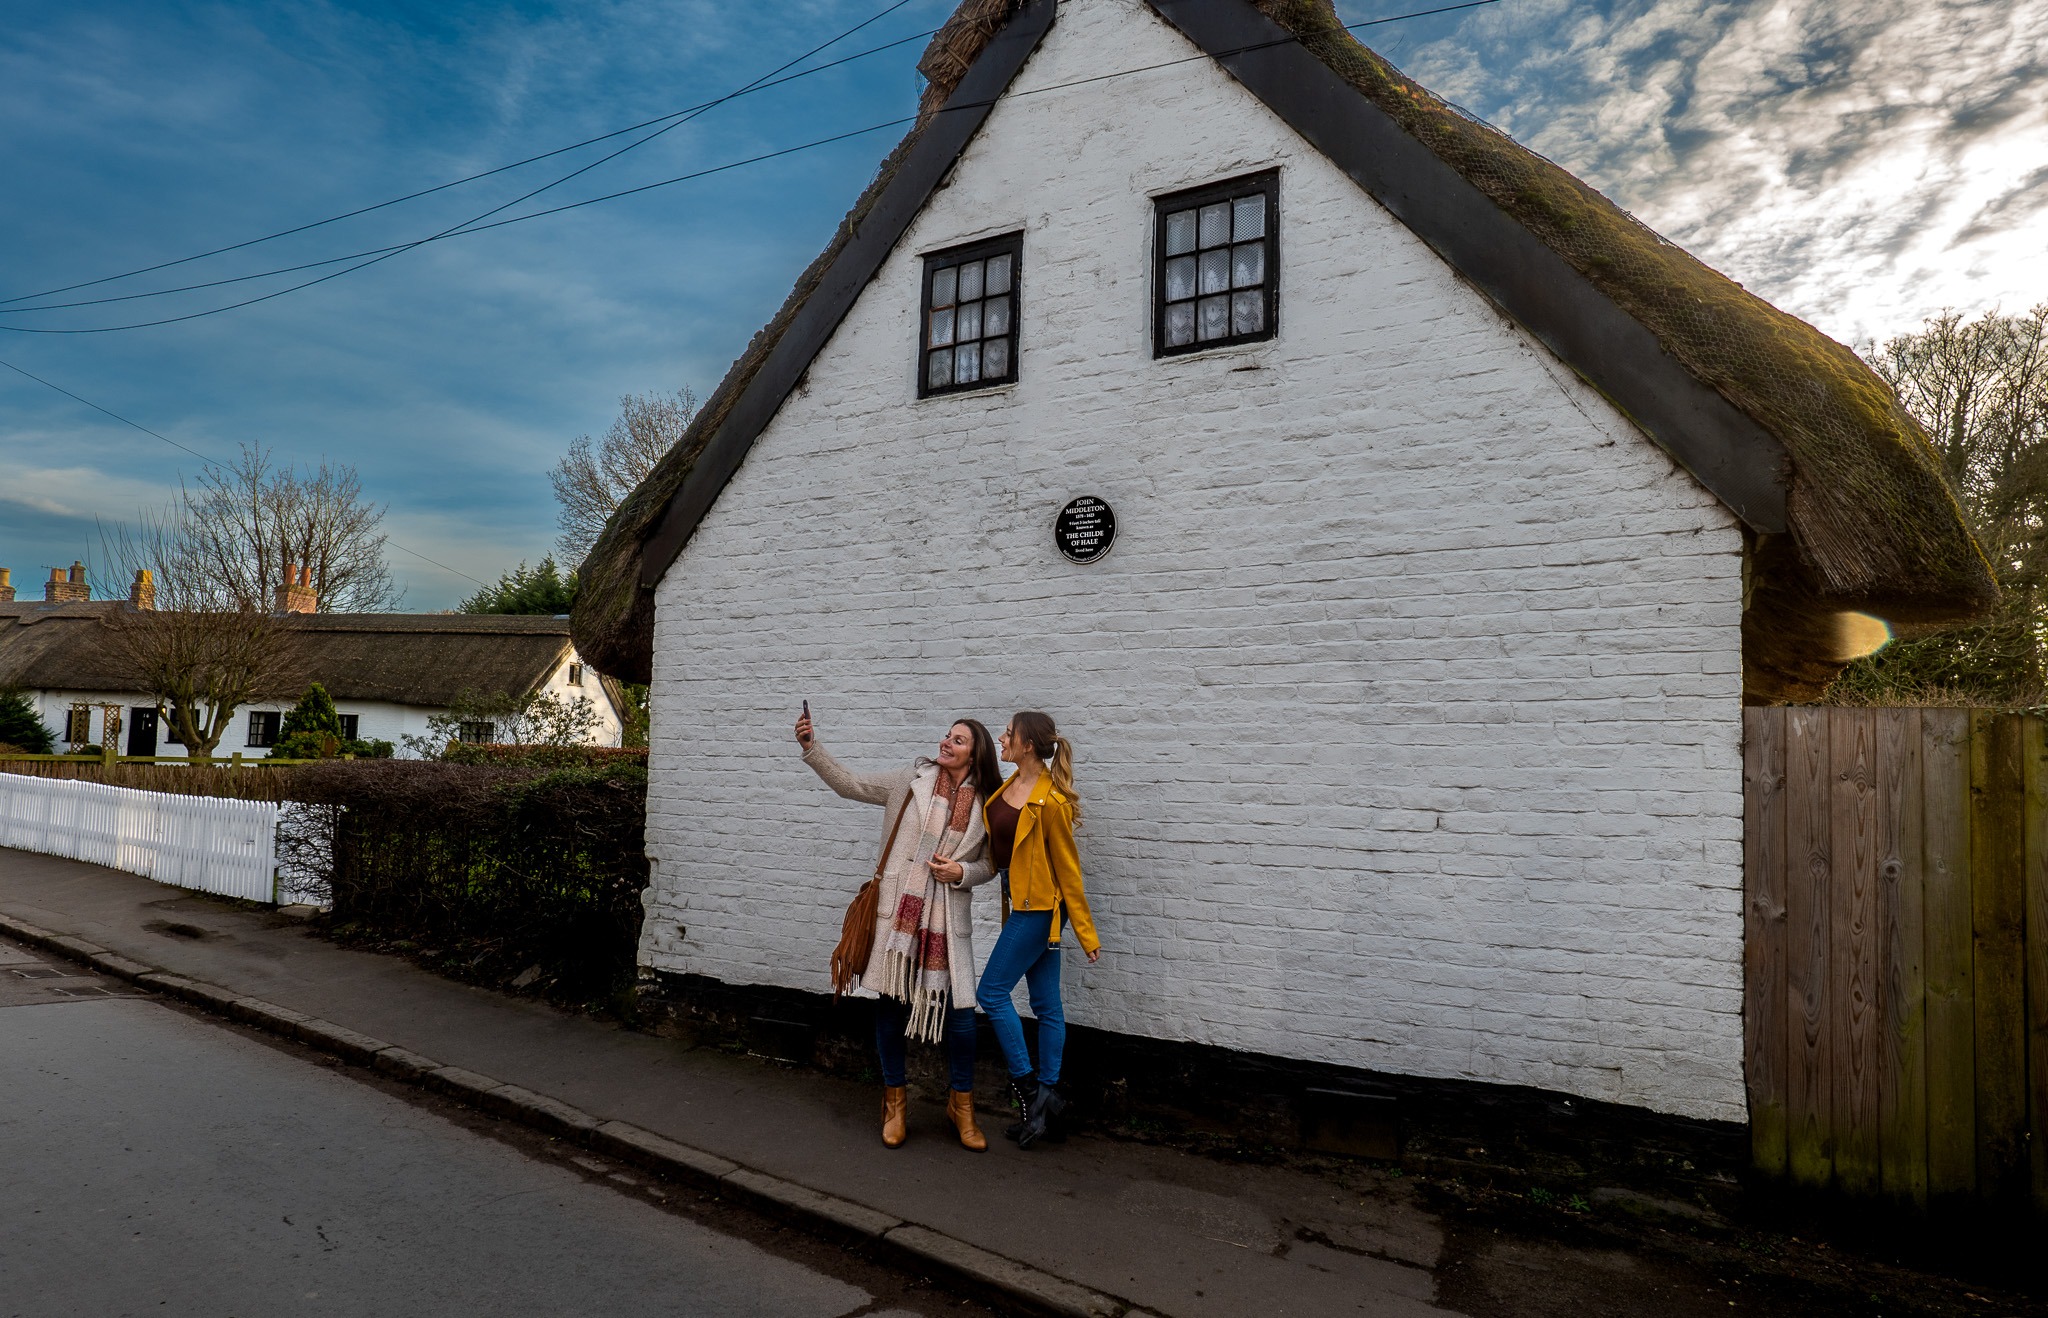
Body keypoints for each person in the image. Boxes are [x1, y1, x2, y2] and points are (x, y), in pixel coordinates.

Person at [795, 708, 1001, 1150]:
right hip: (900, 919)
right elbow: (851, 785)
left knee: (962, 1019)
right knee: (891, 1005)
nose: (947, 742)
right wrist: (813, 748)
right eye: (947, 735)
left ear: (975, 754)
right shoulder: (911, 780)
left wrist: (962, 872)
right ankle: (894, 1104)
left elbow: (990, 865)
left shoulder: (988, 804)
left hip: (947, 922)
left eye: (959, 740)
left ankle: (961, 1107)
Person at [975, 710, 1099, 1150]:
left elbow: (1069, 872)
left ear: (1028, 745)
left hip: (1040, 909)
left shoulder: (1052, 802)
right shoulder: (1009, 787)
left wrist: (1086, 934)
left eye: (1009, 733)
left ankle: (1030, 1091)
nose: (1002, 738)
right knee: (1047, 1005)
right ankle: (1047, 1103)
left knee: (990, 993)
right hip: (1021, 904)